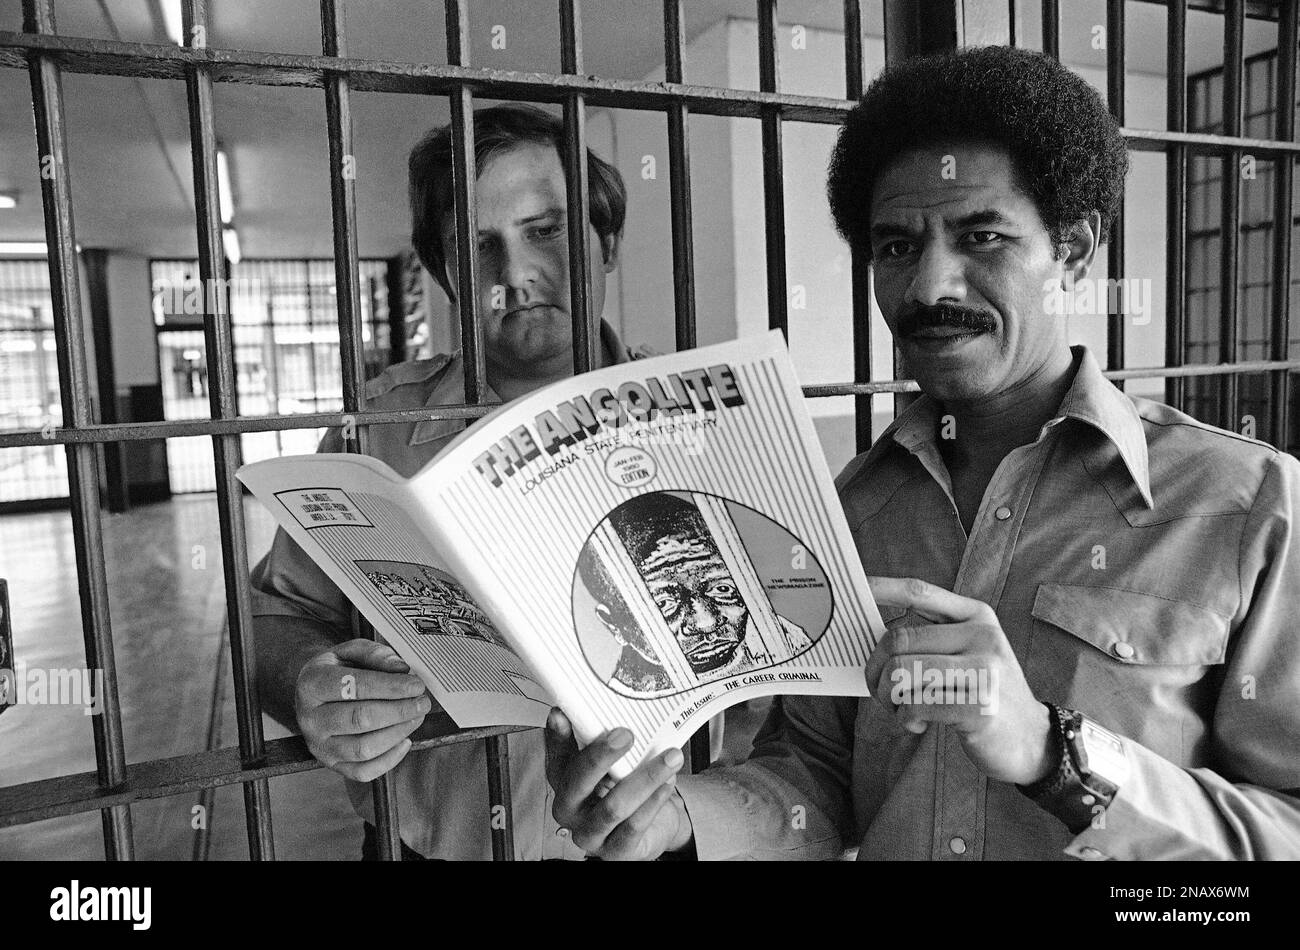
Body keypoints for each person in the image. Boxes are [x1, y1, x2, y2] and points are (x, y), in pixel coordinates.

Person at [546, 45, 1300, 860]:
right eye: (898, 247)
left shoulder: (1245, 502)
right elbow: (811, 783)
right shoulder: (844, 512)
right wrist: (675, 820)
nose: (930, 286)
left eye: (982, 238)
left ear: (1073, 254)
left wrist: (1057, 756)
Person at [250, 104, 710, 860]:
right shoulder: (377, 431)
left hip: (655, 841)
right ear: (445, 274)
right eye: (479, 247)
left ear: (607, 241)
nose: (518, 276)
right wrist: (309, 682)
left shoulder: (695, 426)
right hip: (425, 849)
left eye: (548, 230)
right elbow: (276, 615)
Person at [575, 491, 810, 695]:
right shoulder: (620, 702)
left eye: (722, 589)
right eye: (664, 604)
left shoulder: (779, 637)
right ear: (614, 624)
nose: (706, 623)